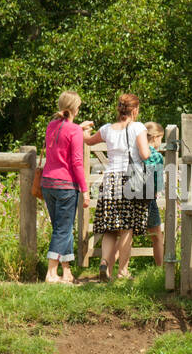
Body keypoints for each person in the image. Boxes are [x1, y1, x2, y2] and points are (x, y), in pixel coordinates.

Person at [83, 93, 151, 280]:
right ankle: (123, 271)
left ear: (118, 109)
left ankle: (105, 262)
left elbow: (88, 141)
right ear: (135, 110)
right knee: (127, 229)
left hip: (110, 180)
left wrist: (84, 131)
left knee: (110, 229)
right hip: (130, 180)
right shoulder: (138, 127)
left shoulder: (106, 129)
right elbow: (145, 154)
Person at [39, 91, 91, 284]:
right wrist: (85, 190)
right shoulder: (75, 130)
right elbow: (77, 162)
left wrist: (78, 127)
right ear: (75, 108)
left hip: (48, 184)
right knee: (63, 229)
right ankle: (51, 273)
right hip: (66, 186)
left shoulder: (51, 125)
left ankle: (66, 271)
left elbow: (63, 133)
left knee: (62, 228)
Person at [143, 122, 167, 267]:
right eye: (161, 139)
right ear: (156, 137)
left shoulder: (136, 151)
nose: (161, 143)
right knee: (157, 235)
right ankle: (161, 267)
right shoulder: (157, 156)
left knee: (127, 234)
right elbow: (158, 184)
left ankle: (119, 269)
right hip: (149, 198)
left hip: (133, 196)